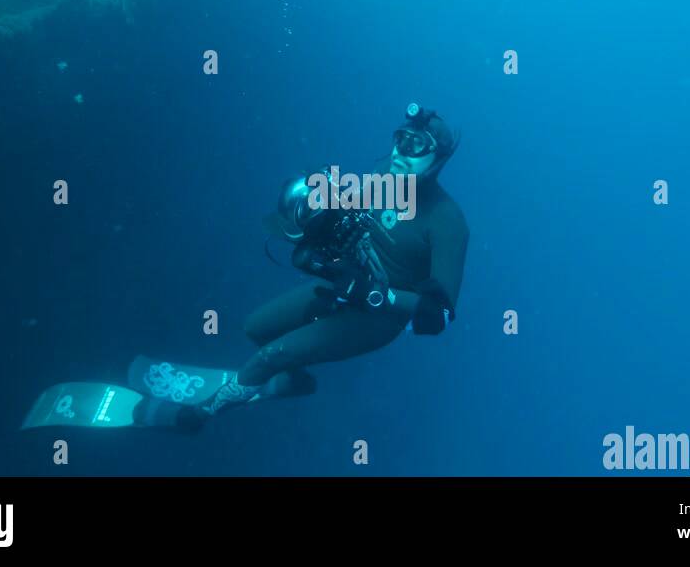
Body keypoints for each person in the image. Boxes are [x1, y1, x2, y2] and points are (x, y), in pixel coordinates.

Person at [134, 103, 469, 431]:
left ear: (438, 157)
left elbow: (437, 316)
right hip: (344, 281)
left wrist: (374, 295)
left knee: (270, 355)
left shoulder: (448, 222)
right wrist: (315, 216)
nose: (399, 152)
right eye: (399, 139)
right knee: (256, 329)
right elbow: (350, 212)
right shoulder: (385, 174)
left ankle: (198, 417)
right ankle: (296, 382)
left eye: (415, 145)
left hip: (378, 318)